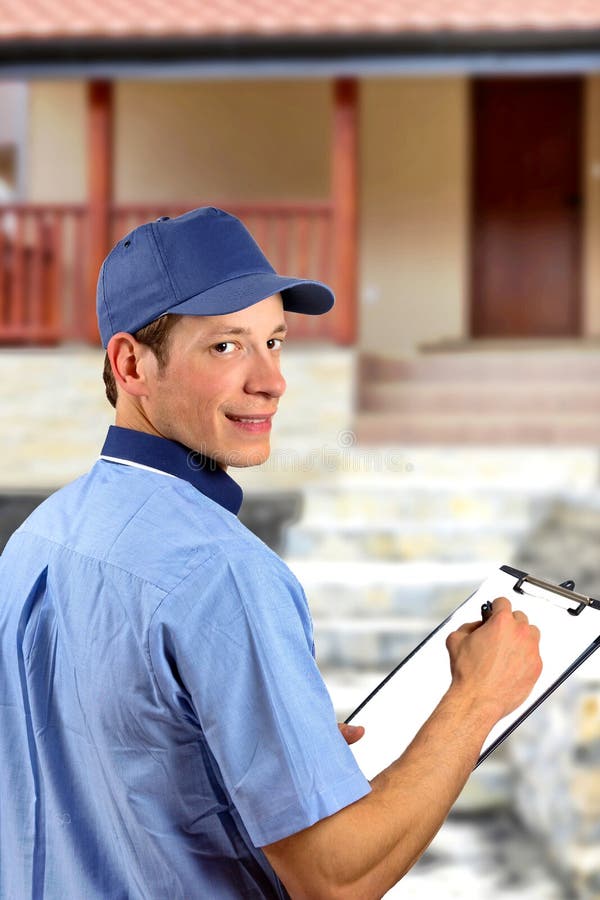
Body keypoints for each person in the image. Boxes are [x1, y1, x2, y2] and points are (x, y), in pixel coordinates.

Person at [0, 206, 542, 899]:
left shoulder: (38, 536)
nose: (271, 381)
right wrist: (476, 701)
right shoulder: (222, 570)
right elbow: (333, 877)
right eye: (226, 347)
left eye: (275, 342)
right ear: (131, 364)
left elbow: (94, 768)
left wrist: (265, 753)